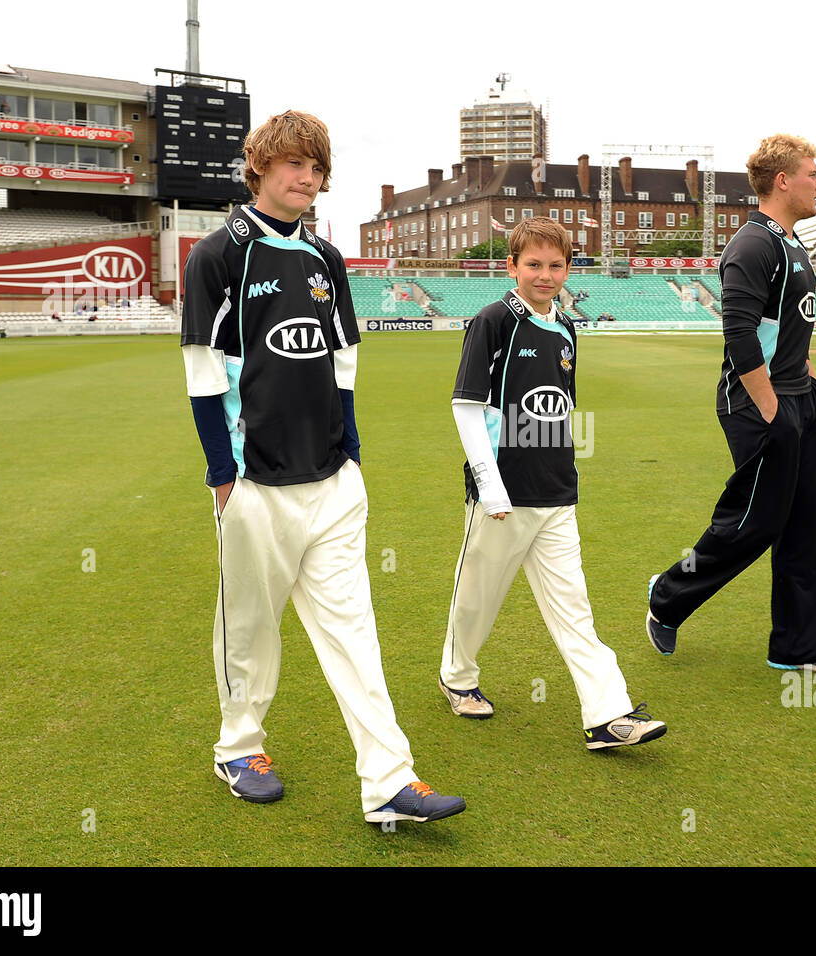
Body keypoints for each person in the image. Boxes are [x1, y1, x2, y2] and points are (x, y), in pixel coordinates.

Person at [180, 110, 465, 824]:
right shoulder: (219, 255)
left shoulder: (325, 261)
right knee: (249, 630)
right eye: (294, 165)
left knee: (355, 633)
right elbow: (203, 376)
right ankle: (238, 748)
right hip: (256, 484)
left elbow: (342, 368)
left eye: (317, 168)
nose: (307, 178)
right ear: (260, 167)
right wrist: (223, 476)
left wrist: (354, 459)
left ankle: (389, 781)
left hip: (334, 481)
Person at [439, 216, 667, 750]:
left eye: (556, 265)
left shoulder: (566, 329)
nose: (545, 275)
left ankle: (608, 716)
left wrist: (568, 466)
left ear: (568, 268)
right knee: (478, 600)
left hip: (556, 492)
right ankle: (458, 677)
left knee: (576, 609)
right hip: (503, 494)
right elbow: (467, 408)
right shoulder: (494, 320)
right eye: (534, 265)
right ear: (513, 266)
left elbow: (558, 409)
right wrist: (489, 485)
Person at [645, 134, 816, 675]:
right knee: (755, 521)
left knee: (805, 524)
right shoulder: (753, 244)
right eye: (812, 173)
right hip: (759, 404)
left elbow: (785, 324)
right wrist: (770, 408)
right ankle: (667, 596)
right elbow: (738, 333)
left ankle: (799, 647)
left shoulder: (792, 244)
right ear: (783, 180)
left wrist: (807, 383)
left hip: (800, 399)